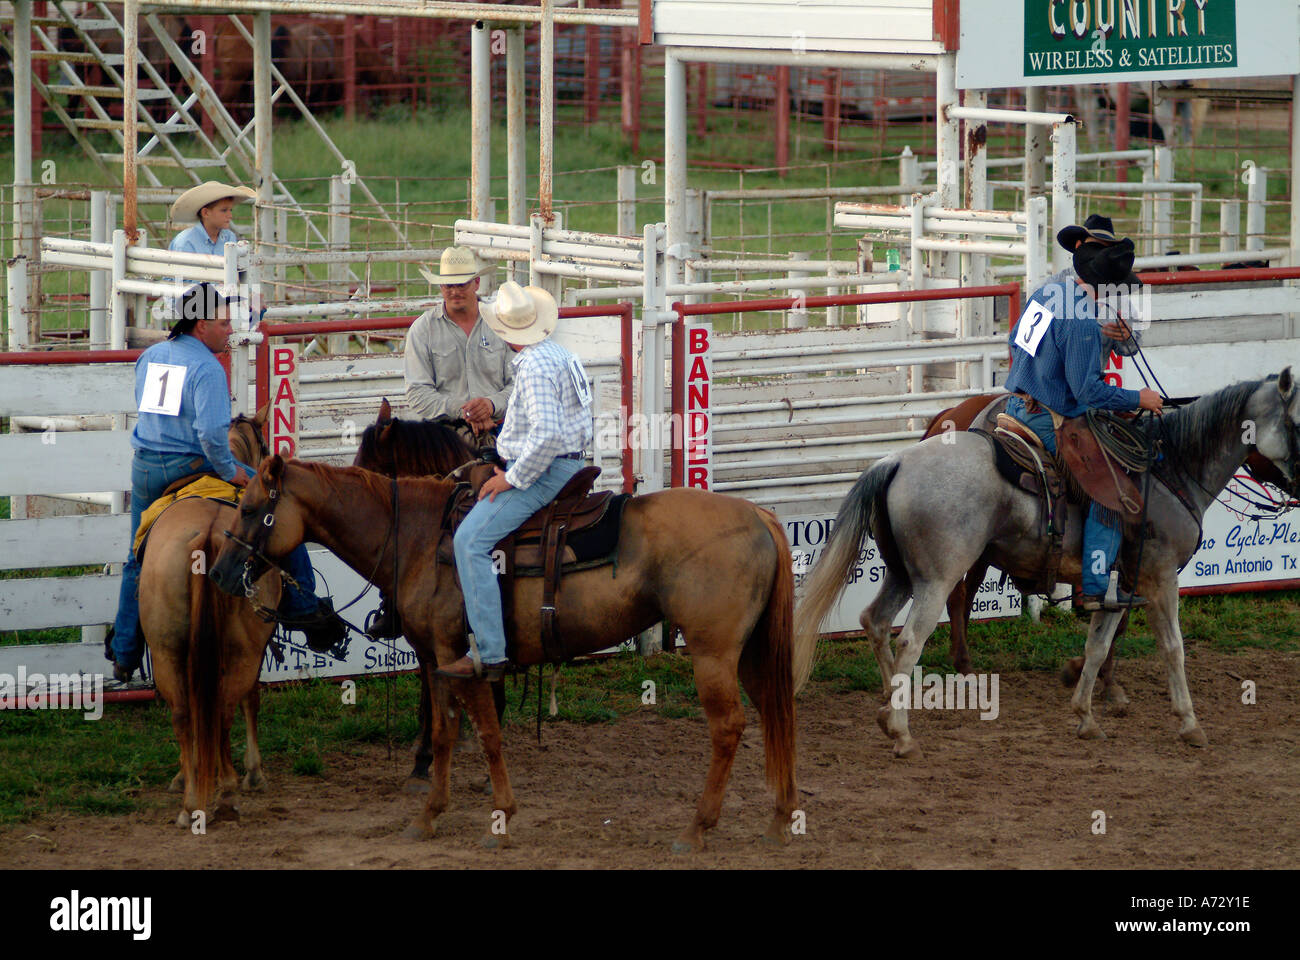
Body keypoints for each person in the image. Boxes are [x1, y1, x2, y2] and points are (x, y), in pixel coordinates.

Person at [107, 283, 345, 682]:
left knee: (139, 555)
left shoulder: (151, 356)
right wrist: (229, 470)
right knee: (279, 502)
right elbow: (211, 436)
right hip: (194, 464)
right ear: (200, 325)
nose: (228, 332)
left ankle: (125, 654)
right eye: (221, 323)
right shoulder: (207, 369)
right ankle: (303, 604)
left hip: (147, 467)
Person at [436, 281, 593, 680]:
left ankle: (490, 655)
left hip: (548, 469)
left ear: (503, 331)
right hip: (569, 462)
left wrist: (512, 478)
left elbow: (548, 435)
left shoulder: (534, 366)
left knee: (469, 541)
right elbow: (553, 421)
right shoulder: (556, 354)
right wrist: (506, 426)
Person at [1003, 224, 1164, 612]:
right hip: (1053, 419)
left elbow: (1014, 339)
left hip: (1017, 405)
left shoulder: (1049, 291)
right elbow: (1089, 391)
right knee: (1112, 486)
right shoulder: (1083, 321)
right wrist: (1138, 397)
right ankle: (1095, 589)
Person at [404, 246, 514, 435]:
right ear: (441, 287)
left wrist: (491, 405)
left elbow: (519, 383)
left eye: (461, 284)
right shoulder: (423, 329)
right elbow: (417, 393)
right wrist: (465, 411)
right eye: (449, 285)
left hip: (501, 426)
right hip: (446, 433)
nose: (455, 292)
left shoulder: (500, 323)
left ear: (476, 283)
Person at [168, 181, 256, 257]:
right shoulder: (186, 242)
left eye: (230, 210)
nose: (230, 215)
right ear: (205, 213)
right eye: (224, 210)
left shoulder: (229, 237)